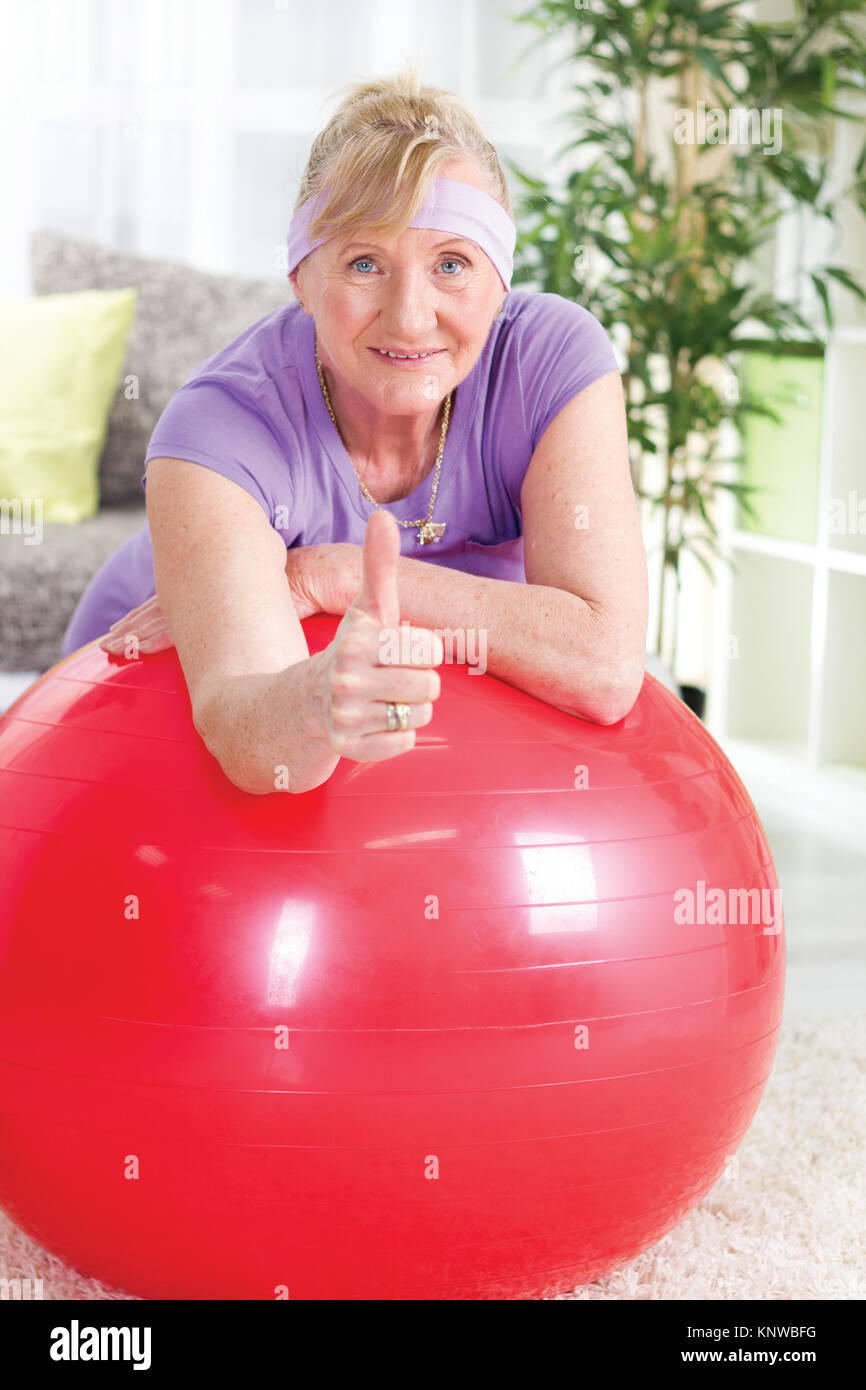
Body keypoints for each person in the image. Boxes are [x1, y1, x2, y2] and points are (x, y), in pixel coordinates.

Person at [60, 69, 648, 795]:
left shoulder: (554, 361)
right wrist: (315, 699)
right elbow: (255, 742)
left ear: (502, 283)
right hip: (145, 709)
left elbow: (605, 668)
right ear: (302, 277)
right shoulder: (218, 423)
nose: (409, 316)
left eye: (452, 265)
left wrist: (330, 573)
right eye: (364, 263)